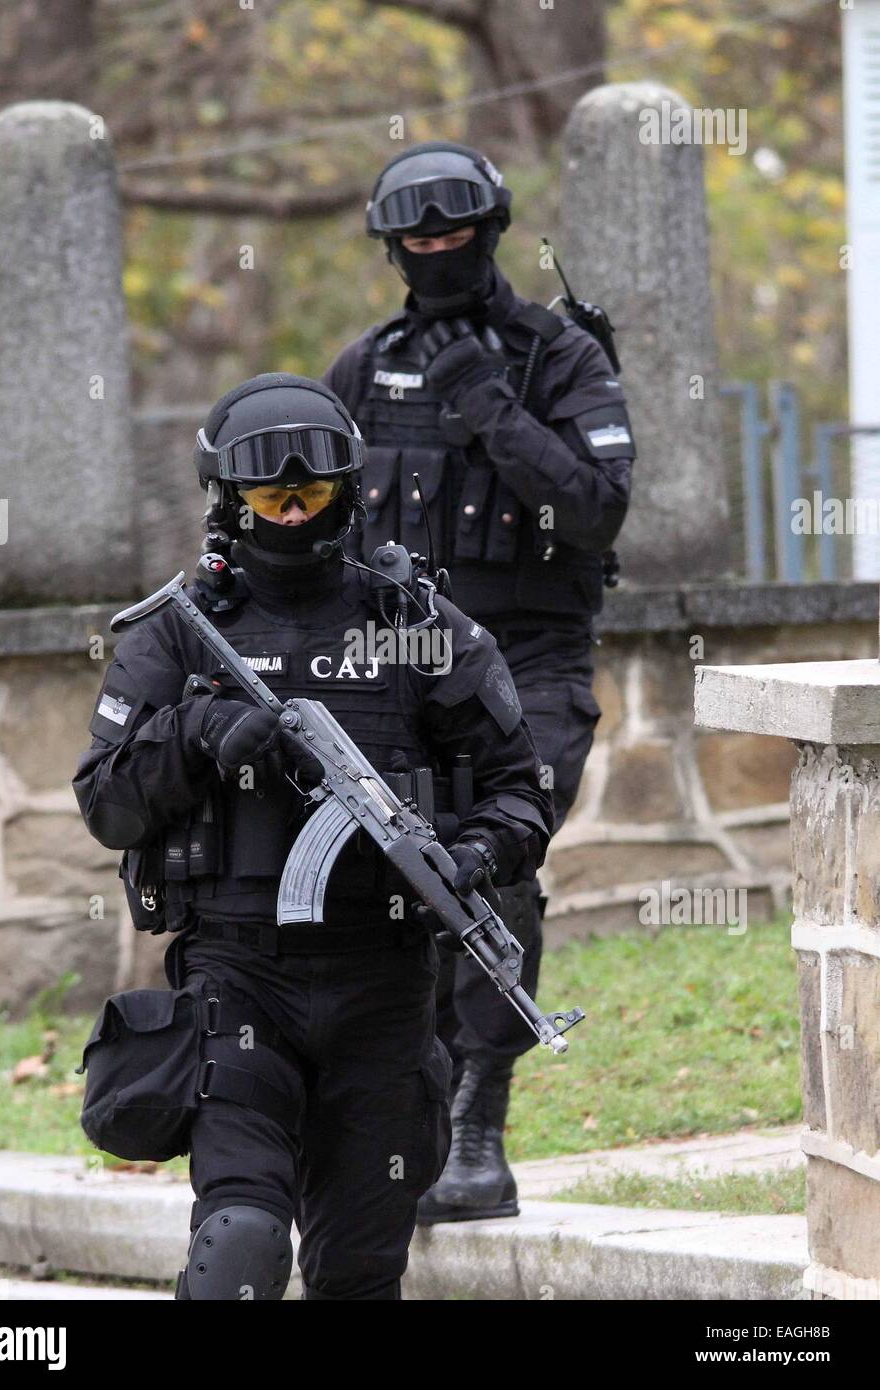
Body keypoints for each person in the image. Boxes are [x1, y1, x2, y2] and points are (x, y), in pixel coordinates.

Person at [73, 373, 553, 1300]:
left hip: (385, 986)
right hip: (238, 976)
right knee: (239, 1248)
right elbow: (106, 805)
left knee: (359, 1273)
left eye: (313, 493)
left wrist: (476, 857)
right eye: (268, 495)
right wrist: (195, 734)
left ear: (348, 492)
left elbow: (517, 791)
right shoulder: (178, 639)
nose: (291, 515)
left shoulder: (416, 629)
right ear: (227, 502)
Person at [323, 141, 635, 1223]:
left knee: (492, 865)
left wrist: (489, 408)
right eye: (414, 239)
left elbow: (594, 510)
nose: (434, 251)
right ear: (392, 248)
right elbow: (313, 529)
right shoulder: (361, 370)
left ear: (492, 230)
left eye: (453, 233)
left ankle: (476, 1133)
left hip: (532, 660)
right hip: (406, 667)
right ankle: (392, 1122)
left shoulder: (559, 358)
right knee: (383, 886)